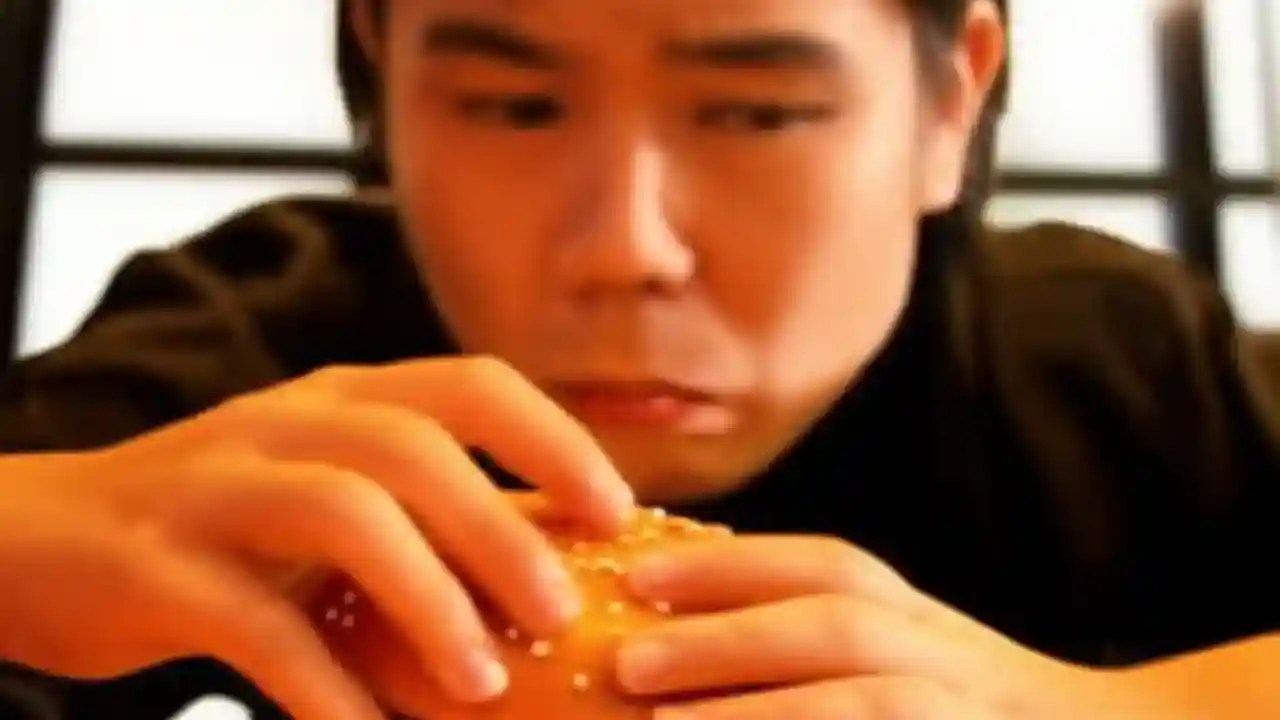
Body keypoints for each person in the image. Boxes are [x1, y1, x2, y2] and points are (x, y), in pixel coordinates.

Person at [0, 0, 1277, 718]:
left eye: (757, 111)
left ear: (952, 99)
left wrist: (1107, 714)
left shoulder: (1115, 358)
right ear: (382, 68)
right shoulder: (262, 362)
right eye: (512, 105)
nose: (623, 248)